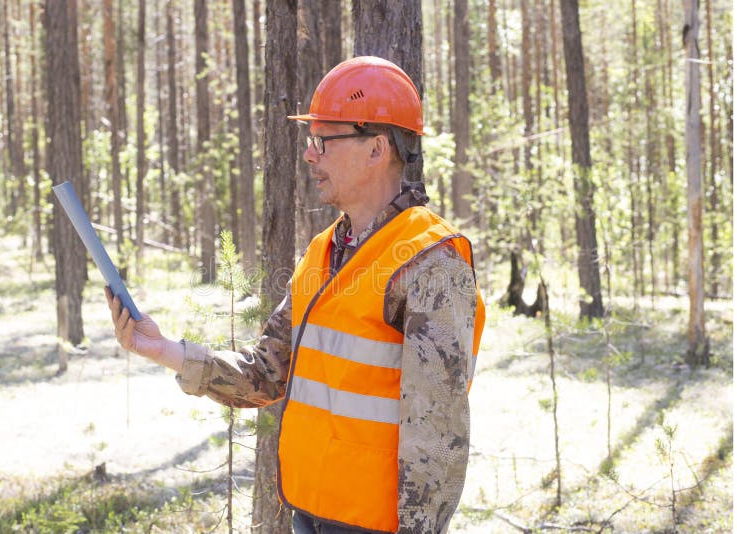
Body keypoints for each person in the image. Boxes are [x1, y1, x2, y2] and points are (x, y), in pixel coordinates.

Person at [106, 56, 485, 534]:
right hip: (307, 512)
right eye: (312, 141)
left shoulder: (431, 260)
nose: (310, 155)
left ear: (377, 149)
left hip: (374, 525)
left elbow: (437, 432)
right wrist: (161, 349)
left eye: (323, 140)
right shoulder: (323, 251)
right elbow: (265, 375)